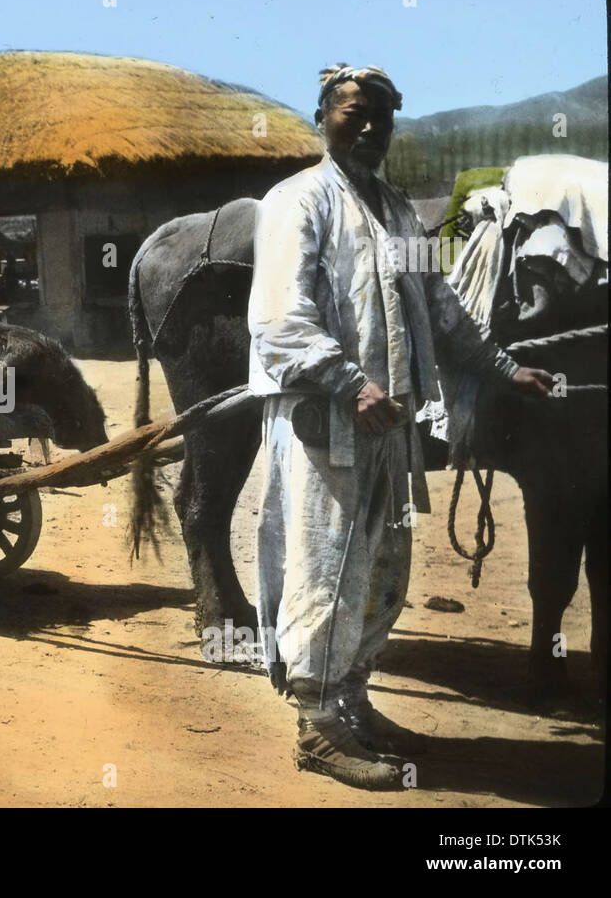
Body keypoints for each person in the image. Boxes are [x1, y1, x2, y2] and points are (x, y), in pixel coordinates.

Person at [248, 64, 554, 789]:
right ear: (323, 115)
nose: (370, 126)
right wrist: (349, 381)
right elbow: (278, 320)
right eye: (355, 111)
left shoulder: (395, 211)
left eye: (383, 116)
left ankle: (350, 699)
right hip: (328, 417)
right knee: (326, 567)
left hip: (392, 427)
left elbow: (442, 309)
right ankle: (316, 724)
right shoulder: (297, 201)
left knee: (384, 569)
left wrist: (505, 367)